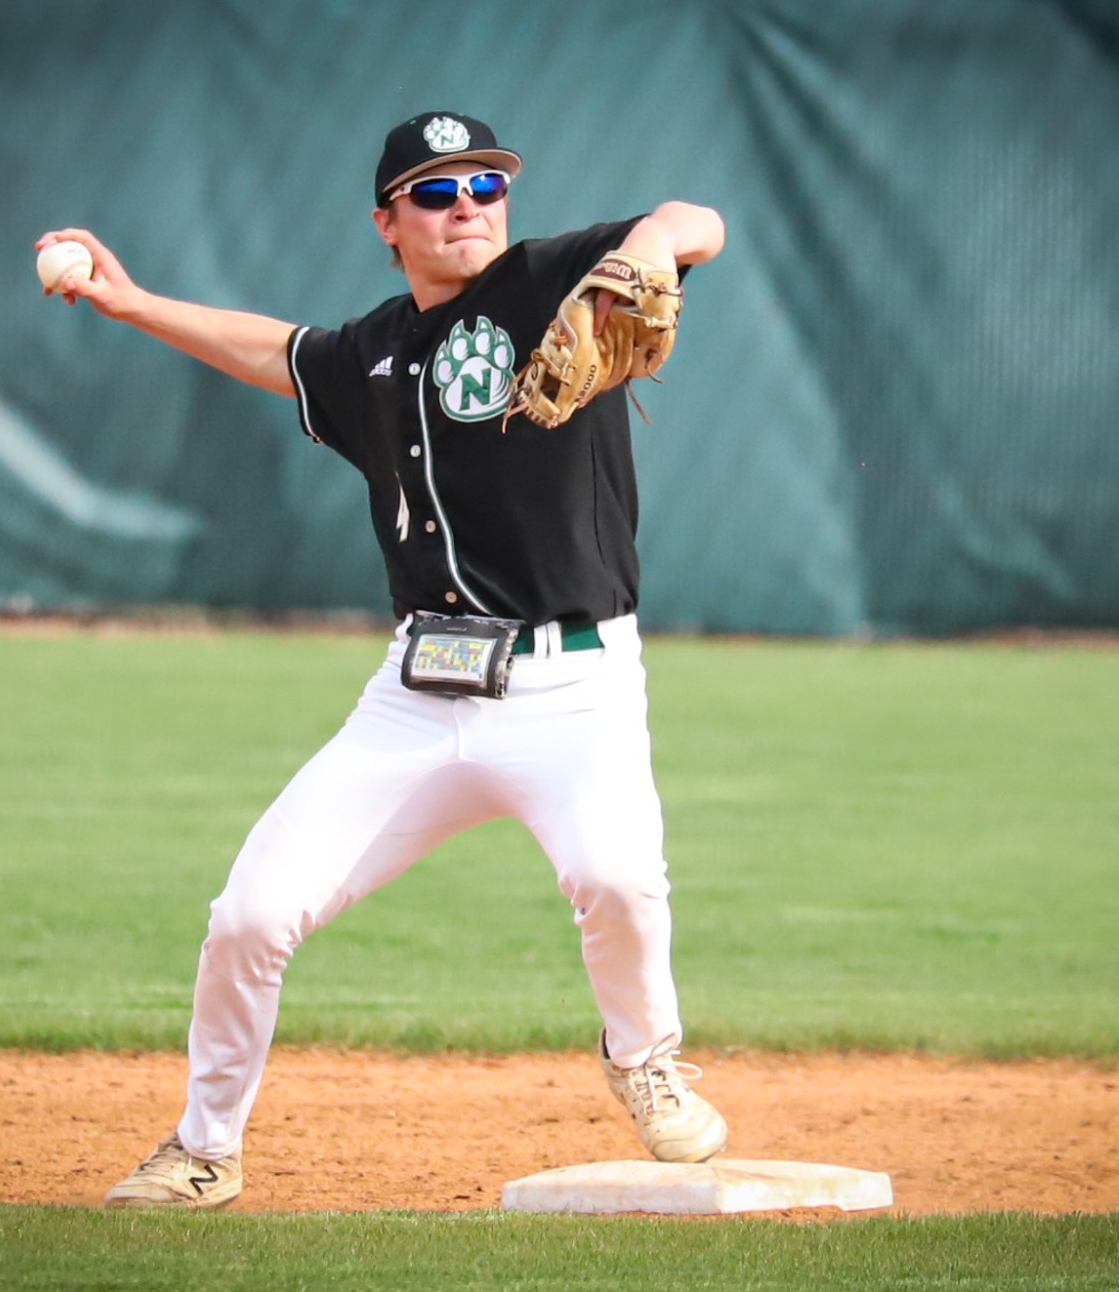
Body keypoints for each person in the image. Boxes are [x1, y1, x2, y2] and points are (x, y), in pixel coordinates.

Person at [39, 111, 729, 1210]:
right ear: (387, 223)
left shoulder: (550, 279)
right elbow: (276, 350)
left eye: (485, 187)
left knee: (617, 880)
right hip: (417, 695)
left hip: (574, 686)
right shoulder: (373, 352)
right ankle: (204, 1147)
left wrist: (646, 248)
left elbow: (696, 221)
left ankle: (642, 1058)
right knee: (250, 915)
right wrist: (131, 304)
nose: (468, 209)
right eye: (437, 193)